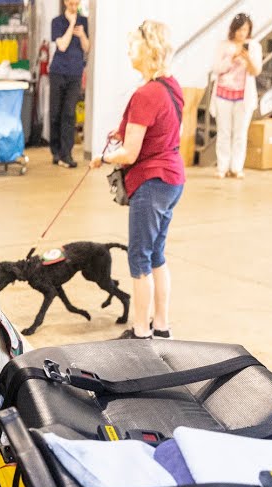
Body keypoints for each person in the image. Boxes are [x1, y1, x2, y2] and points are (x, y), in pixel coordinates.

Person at [90, 19, 184, 340]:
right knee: (157, 255)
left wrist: (102, 158)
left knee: (139, 257)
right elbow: (159, 130)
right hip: (172, 179)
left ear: (147, 50)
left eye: (133, 45)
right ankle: (162, 326)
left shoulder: (146, 94)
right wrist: (123, 131)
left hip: (151, 182)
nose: (129, 50)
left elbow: (129, 154)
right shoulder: (171, 86)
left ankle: (140, 331)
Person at [210, 12, 262, 179]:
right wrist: (231, 58)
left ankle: (236, 167)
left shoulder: (254, 46)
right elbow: (217, 68)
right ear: (233, 30)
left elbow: (256, 71)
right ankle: (222, 167)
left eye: (245, 30)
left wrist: (247, 59)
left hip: (243, 96)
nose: (242, 33)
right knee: (224, 132)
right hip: (222, 94)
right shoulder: (223, 46)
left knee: (240, 133)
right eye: (239, 29)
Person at [47, 0, 90, 169]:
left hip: (75, 73)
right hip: (58, 72)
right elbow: (62, 46)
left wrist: (82, 36)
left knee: (69, 113)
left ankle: (67, 154)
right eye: (71, 3)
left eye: (76, 3)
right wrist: (71, 25)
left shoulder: (84, 21)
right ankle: (56, 152)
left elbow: (87, 48)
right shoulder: (57, 22)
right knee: (55, 113)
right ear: (65, 2)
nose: (74, 6)